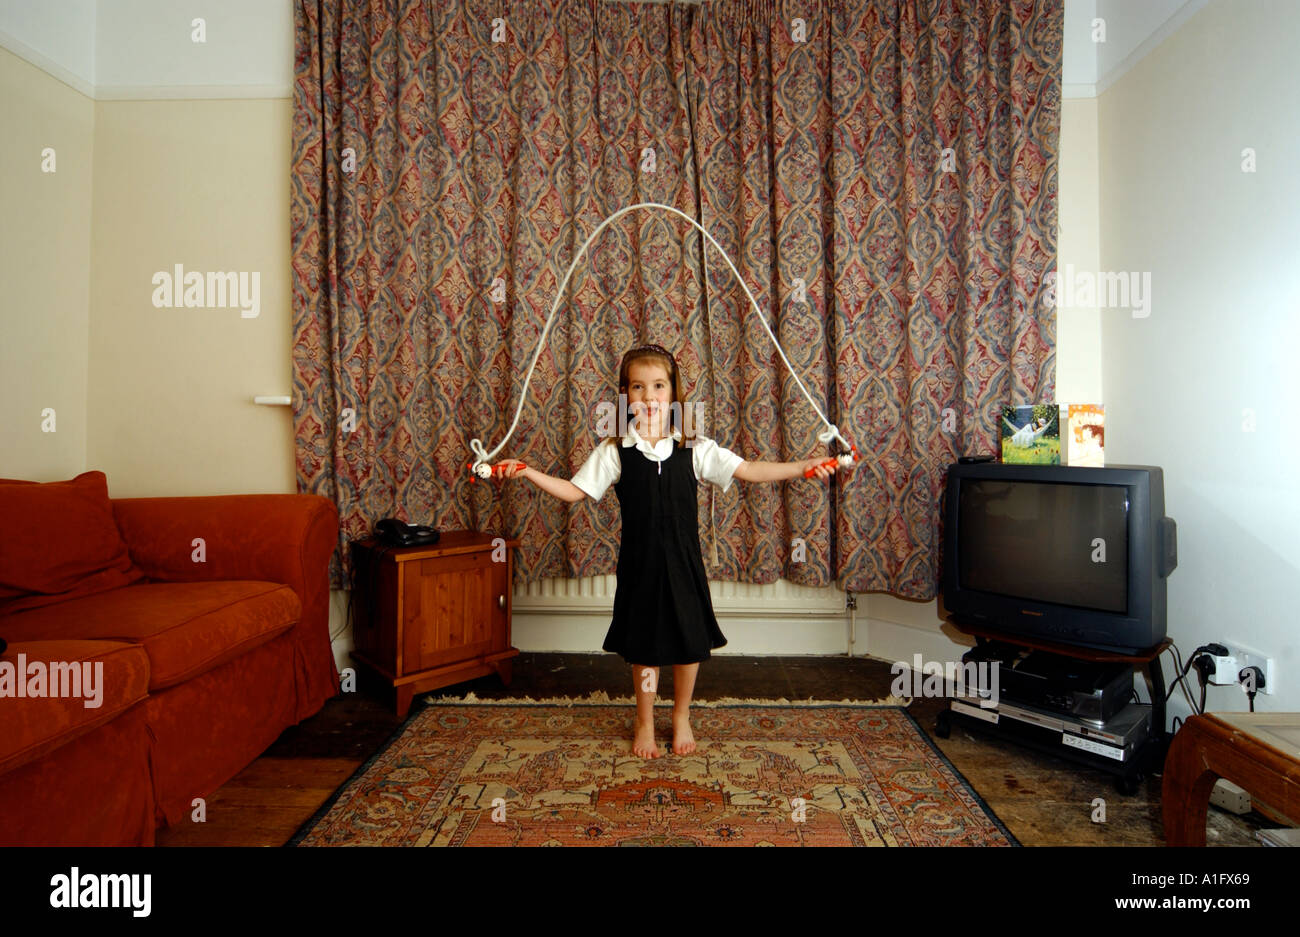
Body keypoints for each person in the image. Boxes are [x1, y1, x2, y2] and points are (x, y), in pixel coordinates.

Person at [494, 343, 837, 759]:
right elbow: (572, 491)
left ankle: (680, 715)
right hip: (640, 568)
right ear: (625, 397)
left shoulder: (694, 447)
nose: (649, 396)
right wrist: (527, 471)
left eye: (659, 386)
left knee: (689, 641)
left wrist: (802, 466)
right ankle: (643, 719)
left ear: (674, 394)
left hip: (684, 566)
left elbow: (748, 469)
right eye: (638, 387)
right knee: (645, 646)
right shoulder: (614, 451)